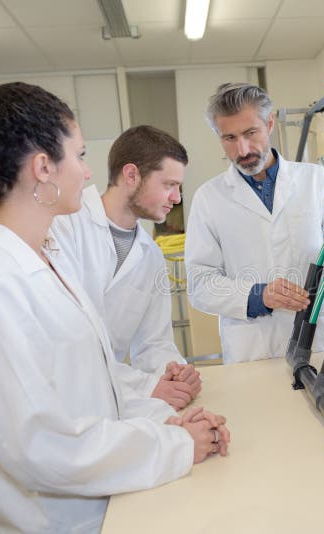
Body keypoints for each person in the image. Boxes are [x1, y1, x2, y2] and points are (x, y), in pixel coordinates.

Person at [0, 65, 230, 533]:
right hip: (49, 522)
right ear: (43, 167)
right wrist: (176, 446)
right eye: (79, 155)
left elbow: (93, 389)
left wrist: (168, 421)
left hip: (97, 504)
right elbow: (40, 446)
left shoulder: (47, 261)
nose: (87, 172)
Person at [185, 82, 324, 364]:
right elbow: (200, 285)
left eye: (250, 133)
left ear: (270, 123)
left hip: (317, 339)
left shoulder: (315, 180)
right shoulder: (208, 198)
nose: (242, 149)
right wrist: (259, 296)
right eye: (229, 138)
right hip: (250, 348)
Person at [51, 126, 201, 409]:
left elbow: (153, 343)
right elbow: (69, 343)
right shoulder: (63, 227)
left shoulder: (151, 255)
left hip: (112, 400)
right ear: (131, 175)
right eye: (169, 185)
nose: (177, 198)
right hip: (61, 401)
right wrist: (146, 386)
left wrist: (174, 372)